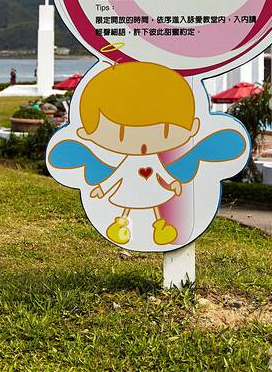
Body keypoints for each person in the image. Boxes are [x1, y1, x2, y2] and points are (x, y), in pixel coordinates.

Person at [48, 61, 245, 246]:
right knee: (129, 205)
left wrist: (172, 182)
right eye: (122, 133)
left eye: (165, 130)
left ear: (193, 127)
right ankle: (121, 224)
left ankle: (160, 229)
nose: (142, 143)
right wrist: (103, 188)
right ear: (85, 133)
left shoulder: (151, 158)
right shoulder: (131, 160)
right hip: (130, 189)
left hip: (152, 188)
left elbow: (161, 173)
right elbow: (116, 176)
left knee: (154, 205)